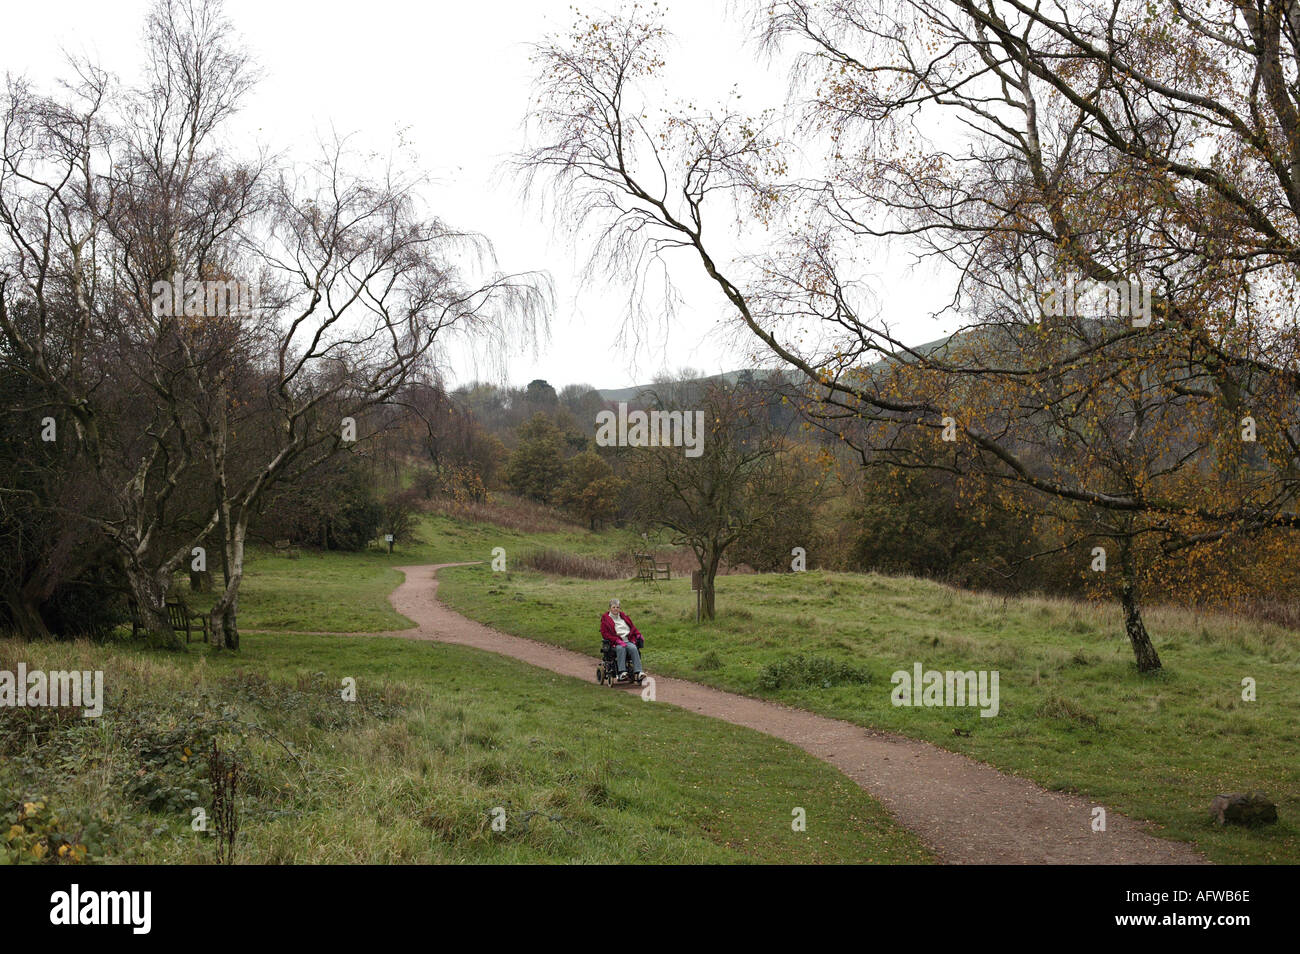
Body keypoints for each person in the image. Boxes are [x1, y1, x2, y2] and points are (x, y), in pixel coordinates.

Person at [600, 598, 645, 682]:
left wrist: (638, 634)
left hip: (627, 640)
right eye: (613, 607)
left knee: (633, 648)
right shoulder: (606, 619)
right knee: (621, 649)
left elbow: (633, 627)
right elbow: (605, 634)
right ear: (610, 608)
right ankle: (622, 672)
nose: (615, 609)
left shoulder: (624, 617)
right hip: (615, 642)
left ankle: (639, 672)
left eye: (617, 607)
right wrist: (616, 640)